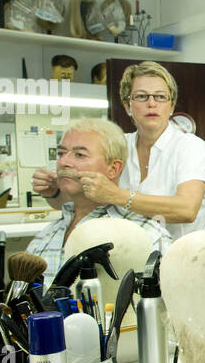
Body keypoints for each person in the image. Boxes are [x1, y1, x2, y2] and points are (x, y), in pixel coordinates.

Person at [32, 62, 205, 241]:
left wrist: (115, 195)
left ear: (171, 106)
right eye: (141, 96)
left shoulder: (190, 146)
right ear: (127, 106)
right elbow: (84, 201)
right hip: (132, 255)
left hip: (184, 256)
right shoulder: (119, 143)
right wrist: (54, 192)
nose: (151, 103)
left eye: (160, 97)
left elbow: (187, 209)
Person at [26, 118, 170, 281]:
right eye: (61, 153)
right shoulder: (43, 238)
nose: (63, 162)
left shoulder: (147, 236)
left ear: (113, 169)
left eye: (80, 155)